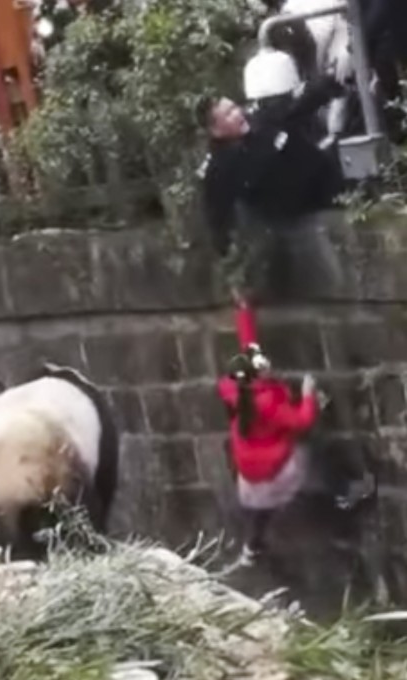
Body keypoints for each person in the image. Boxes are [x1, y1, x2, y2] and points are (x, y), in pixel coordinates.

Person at [196, 74, 348, 303]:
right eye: (228, 114)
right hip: (295, 222)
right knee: (331, 285)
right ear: (216, 130)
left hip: (333, 190)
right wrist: (232, 267)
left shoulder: (262, 119)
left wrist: (328, 85)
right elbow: (217, 217)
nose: (237, 114)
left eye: (234, 107)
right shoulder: (220, 167)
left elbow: (297, 106)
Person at [218, 341, 318, 562]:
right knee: (310, 457)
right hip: (271, 465)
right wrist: (307, 395)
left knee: (261, 510)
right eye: (264, 367)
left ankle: (252, 547)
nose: (269, 366)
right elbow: (302, 420)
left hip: (249, 465)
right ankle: (343, 490)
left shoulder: (236, 391)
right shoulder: (266, 403)